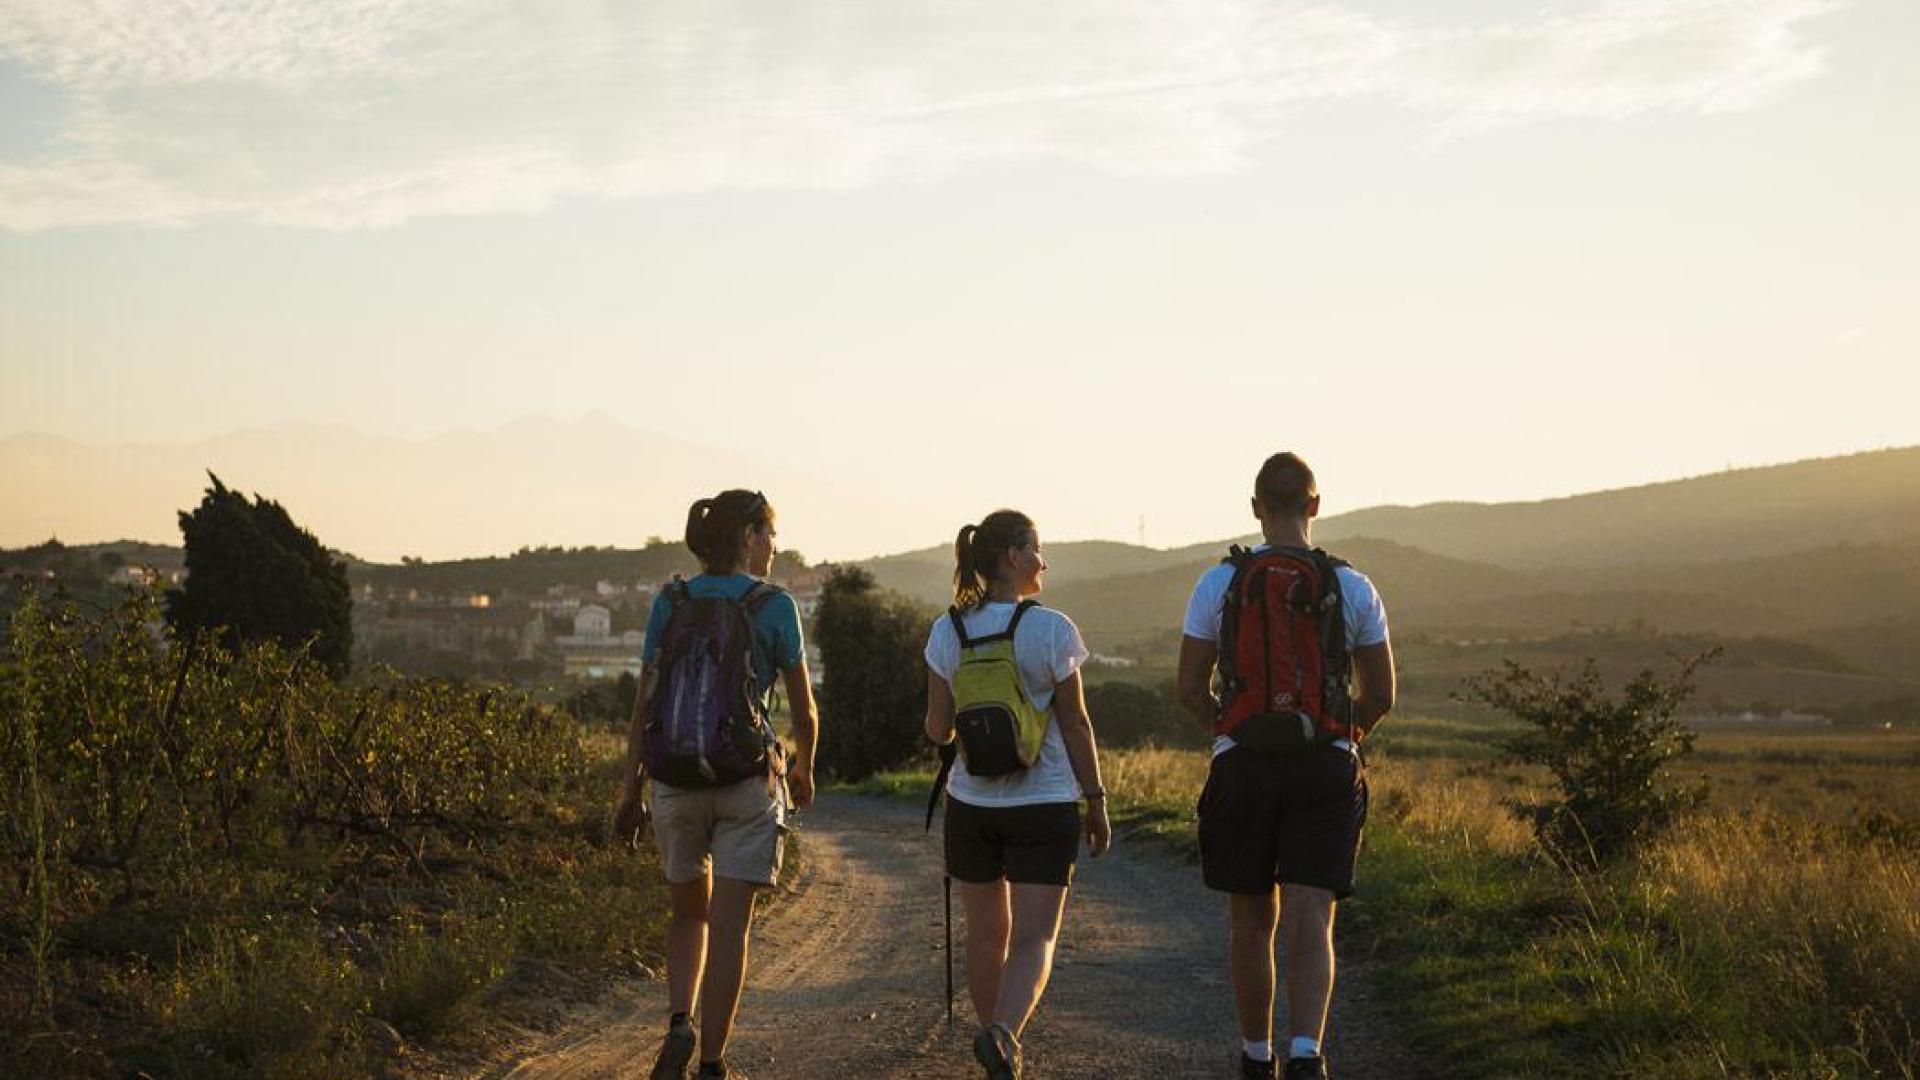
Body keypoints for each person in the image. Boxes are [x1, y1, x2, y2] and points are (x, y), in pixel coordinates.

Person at [1176, 454, 1395, 1080]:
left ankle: (1255, 1054)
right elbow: (1381, 693)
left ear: (1255, 508)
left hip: (1242, 764)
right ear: (1316, 506)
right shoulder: (1352, 586)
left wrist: (1229, 732)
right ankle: (1306, 1051)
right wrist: (1344, 735)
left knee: (1251, 915)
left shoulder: (1217, 584)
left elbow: (1190, 687)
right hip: (1324, 763)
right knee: (1311, 911)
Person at [614, 489, 818, 1080]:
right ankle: (711, 1064)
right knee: (730, 928)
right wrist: (804, 766)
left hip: (674, 783)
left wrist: (631, 790)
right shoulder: (775, 606)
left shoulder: (671, 601)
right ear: (751, 537)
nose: (775, 547)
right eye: (771, 534)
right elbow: (805, 711)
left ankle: (680, 1021)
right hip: (744, 782)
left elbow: (644, 702)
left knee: (687, 917)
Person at [924, 510, 1112, 1080]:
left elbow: (937, 729)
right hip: (1044, 801)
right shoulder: (1052, 628)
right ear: (1012, 556)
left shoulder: (947, 630)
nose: (1043, 561)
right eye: (1036, 549)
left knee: (986, 933)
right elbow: (1076, 724)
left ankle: (994, 1049)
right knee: (1035, 935)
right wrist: (1096, 798)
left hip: (970, 804)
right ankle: (1005, 1033)